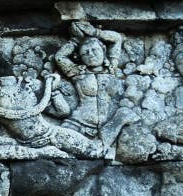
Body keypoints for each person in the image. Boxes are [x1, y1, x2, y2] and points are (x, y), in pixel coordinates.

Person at [54, 21, 139, 149]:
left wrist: (96, 33)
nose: (91, 55)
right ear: (80, 58)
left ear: (103, 50)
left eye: (95, 50)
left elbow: (117, 39)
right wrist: (76, 40)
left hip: (109, 125)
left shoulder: (111, 69)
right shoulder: (77, 72)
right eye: (85, 53)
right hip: (77, 123)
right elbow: (59, 57)